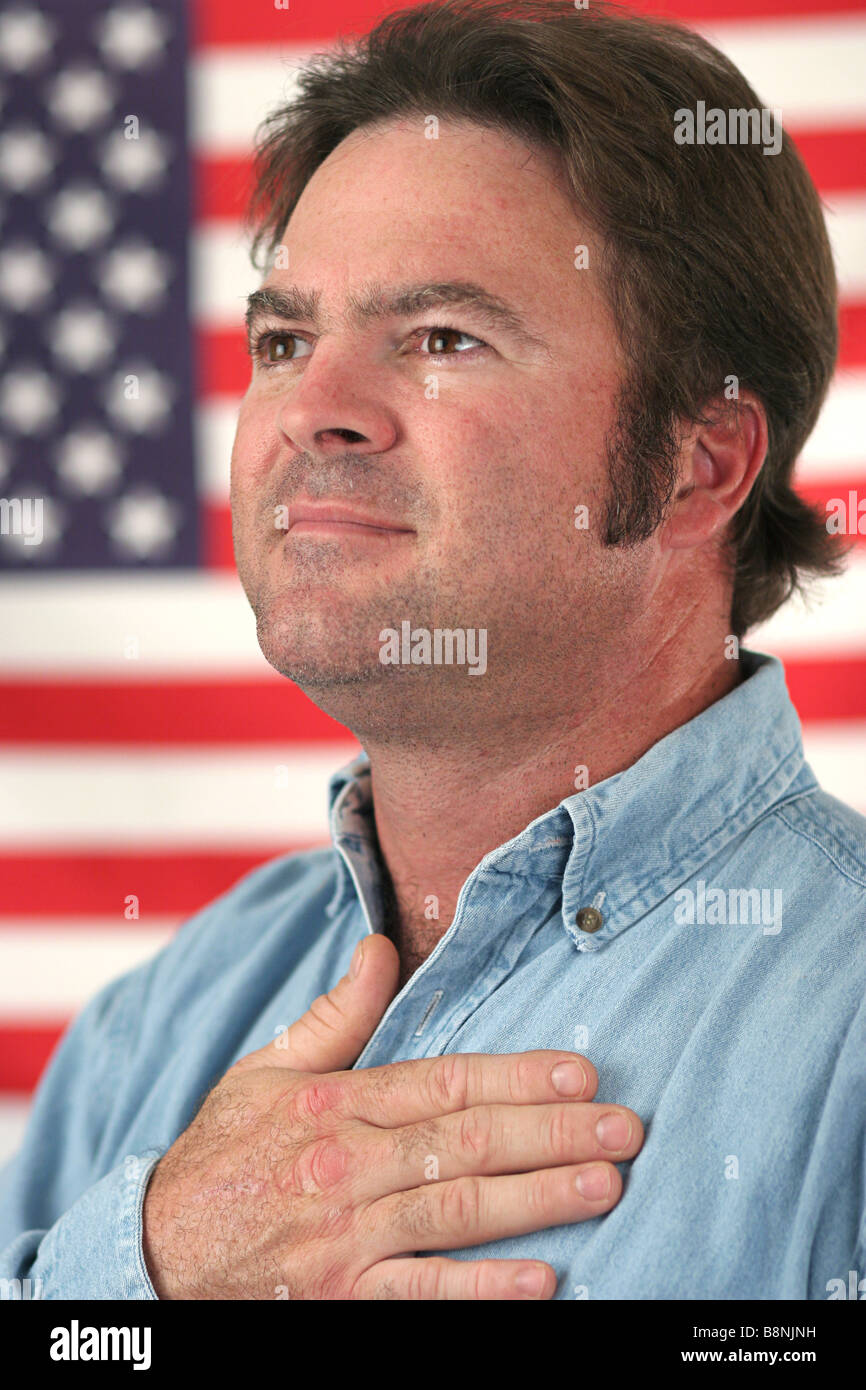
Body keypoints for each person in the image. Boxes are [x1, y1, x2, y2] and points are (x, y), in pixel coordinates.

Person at [1, 0, 863, 1301]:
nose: (312, 413)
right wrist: (145, 1267)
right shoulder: (157, 1019)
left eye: (442, 339)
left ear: (703, 463)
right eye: (285, 341)